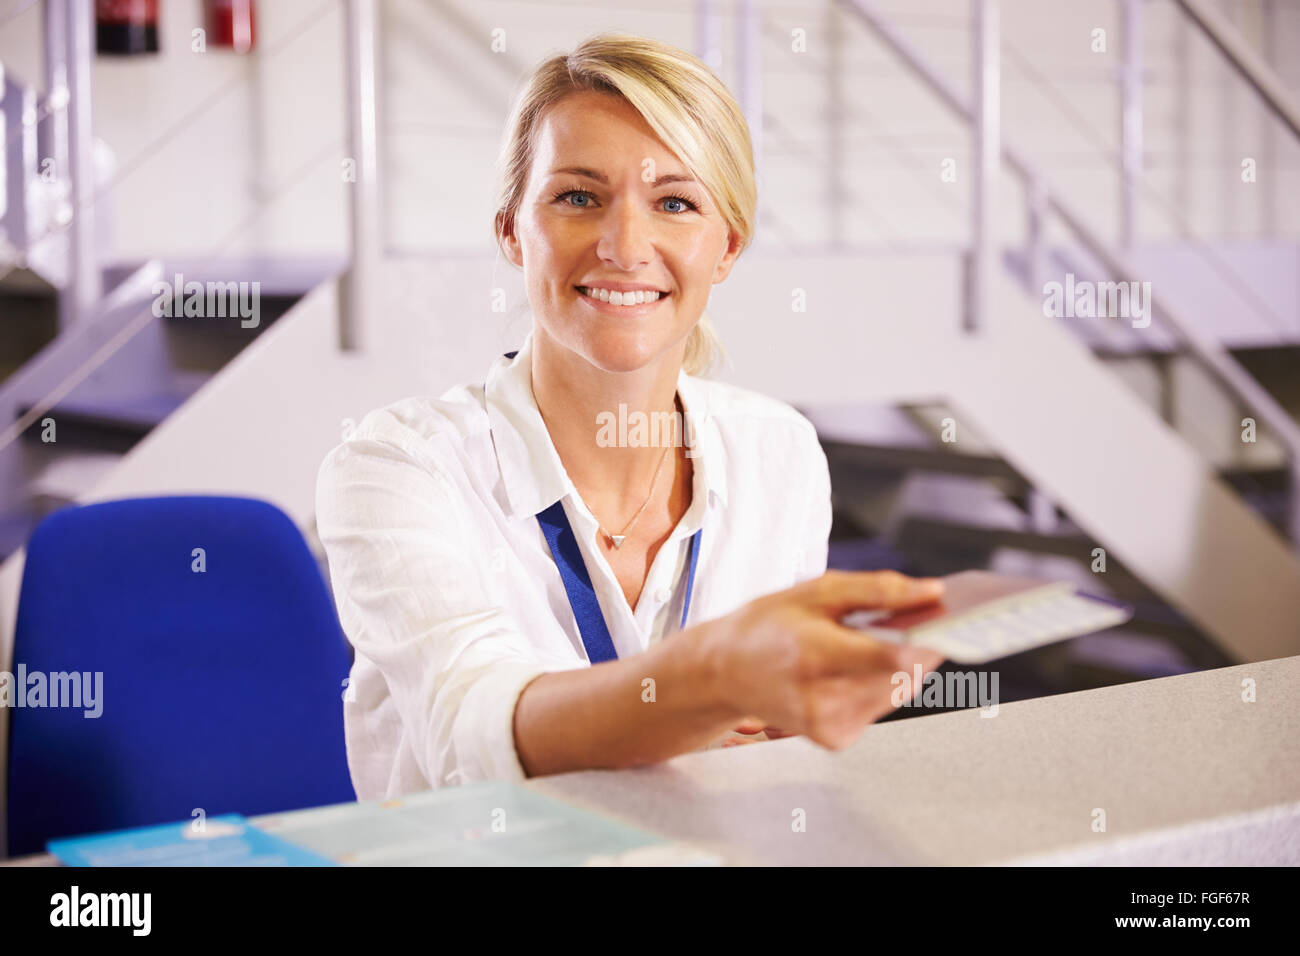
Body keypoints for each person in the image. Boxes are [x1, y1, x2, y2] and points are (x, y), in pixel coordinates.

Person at [315, 32, 945, 801]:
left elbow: (773, 754)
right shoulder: (398, 466)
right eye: (579, 197)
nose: (624, 246)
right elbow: (477, 741)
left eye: (675, 203)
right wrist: (708, 689)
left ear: (726, 248)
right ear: (514, 229)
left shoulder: (778, 452)